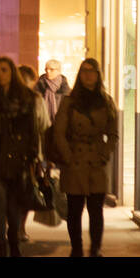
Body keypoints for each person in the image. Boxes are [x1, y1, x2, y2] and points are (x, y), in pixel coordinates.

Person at [53, 58, 119, 257]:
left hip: (96, 163)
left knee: (96, 210)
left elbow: (113, 134)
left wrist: (104, 154)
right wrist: (68, 156)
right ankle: (77, 248)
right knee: (74, 210)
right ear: (79, 75)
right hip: (75, 161)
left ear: (98, 75)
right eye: (84, 71)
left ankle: (95, 249)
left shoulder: (106, 101)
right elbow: (59, 132)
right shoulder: (69, 102)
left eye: (92, 71)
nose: (88, 75)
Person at [0, 56, 39, 256]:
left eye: (4, 70)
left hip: (17, 160)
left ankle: (14, 242)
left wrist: (31, 155)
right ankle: (1, 246)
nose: (0, 74)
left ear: (12, 72)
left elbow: (32, 130)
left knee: (14, 206)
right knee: (0, 203)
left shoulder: (26, 98)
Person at [17, 64, 50, 242]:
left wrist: (46, 155)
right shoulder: (35, 99)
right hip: (23, 155)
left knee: (25, 191)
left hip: (30, 156)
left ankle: (18, 227)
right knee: (21, 192)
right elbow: (45, 126)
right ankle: (17, 227)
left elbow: (44, 127)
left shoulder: (36, 100)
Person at [36, 61, 71, 125]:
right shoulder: (39, 85)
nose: (48, 71)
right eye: (46, 69)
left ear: (58, 71)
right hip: (42, 122)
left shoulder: (64, 87)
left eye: (51, 69)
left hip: (61, 123)